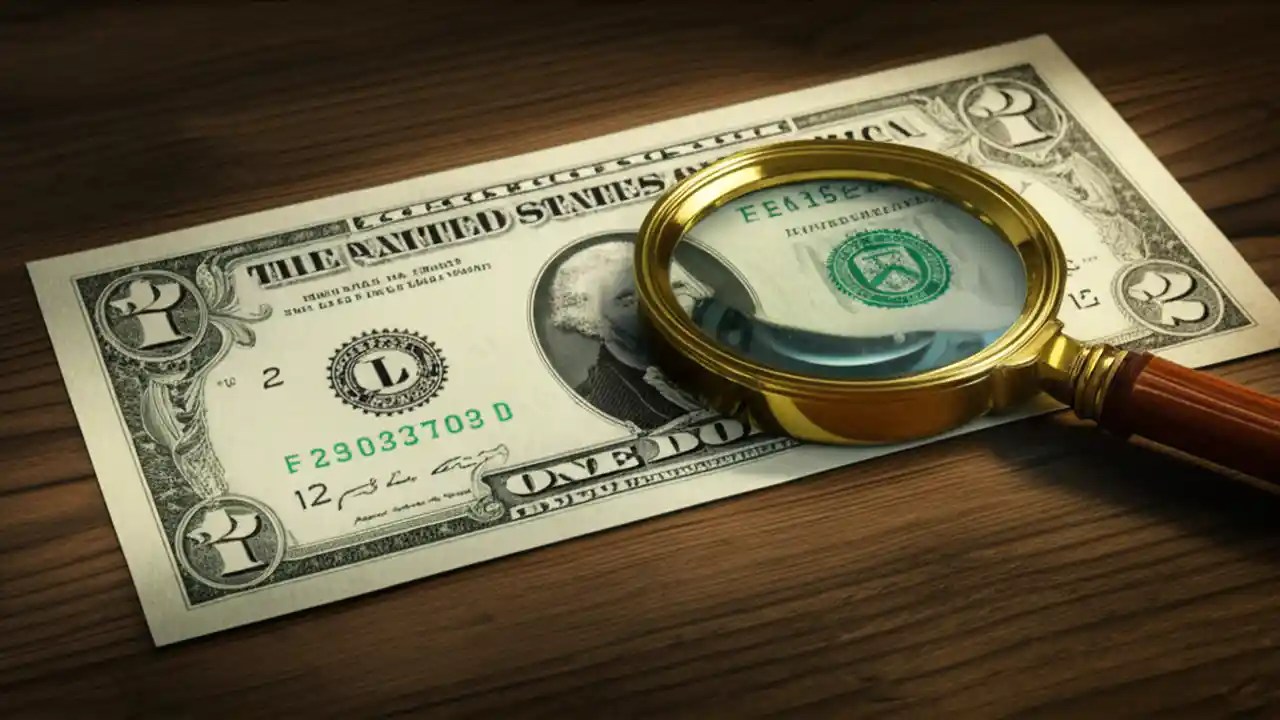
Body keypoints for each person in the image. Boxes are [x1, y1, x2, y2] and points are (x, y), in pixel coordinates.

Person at [548, 238, 713, 433]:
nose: (661, 307)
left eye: (674, 287)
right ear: (591, 322)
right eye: (628, 300)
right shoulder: (596, 407)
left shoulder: (743, 350)